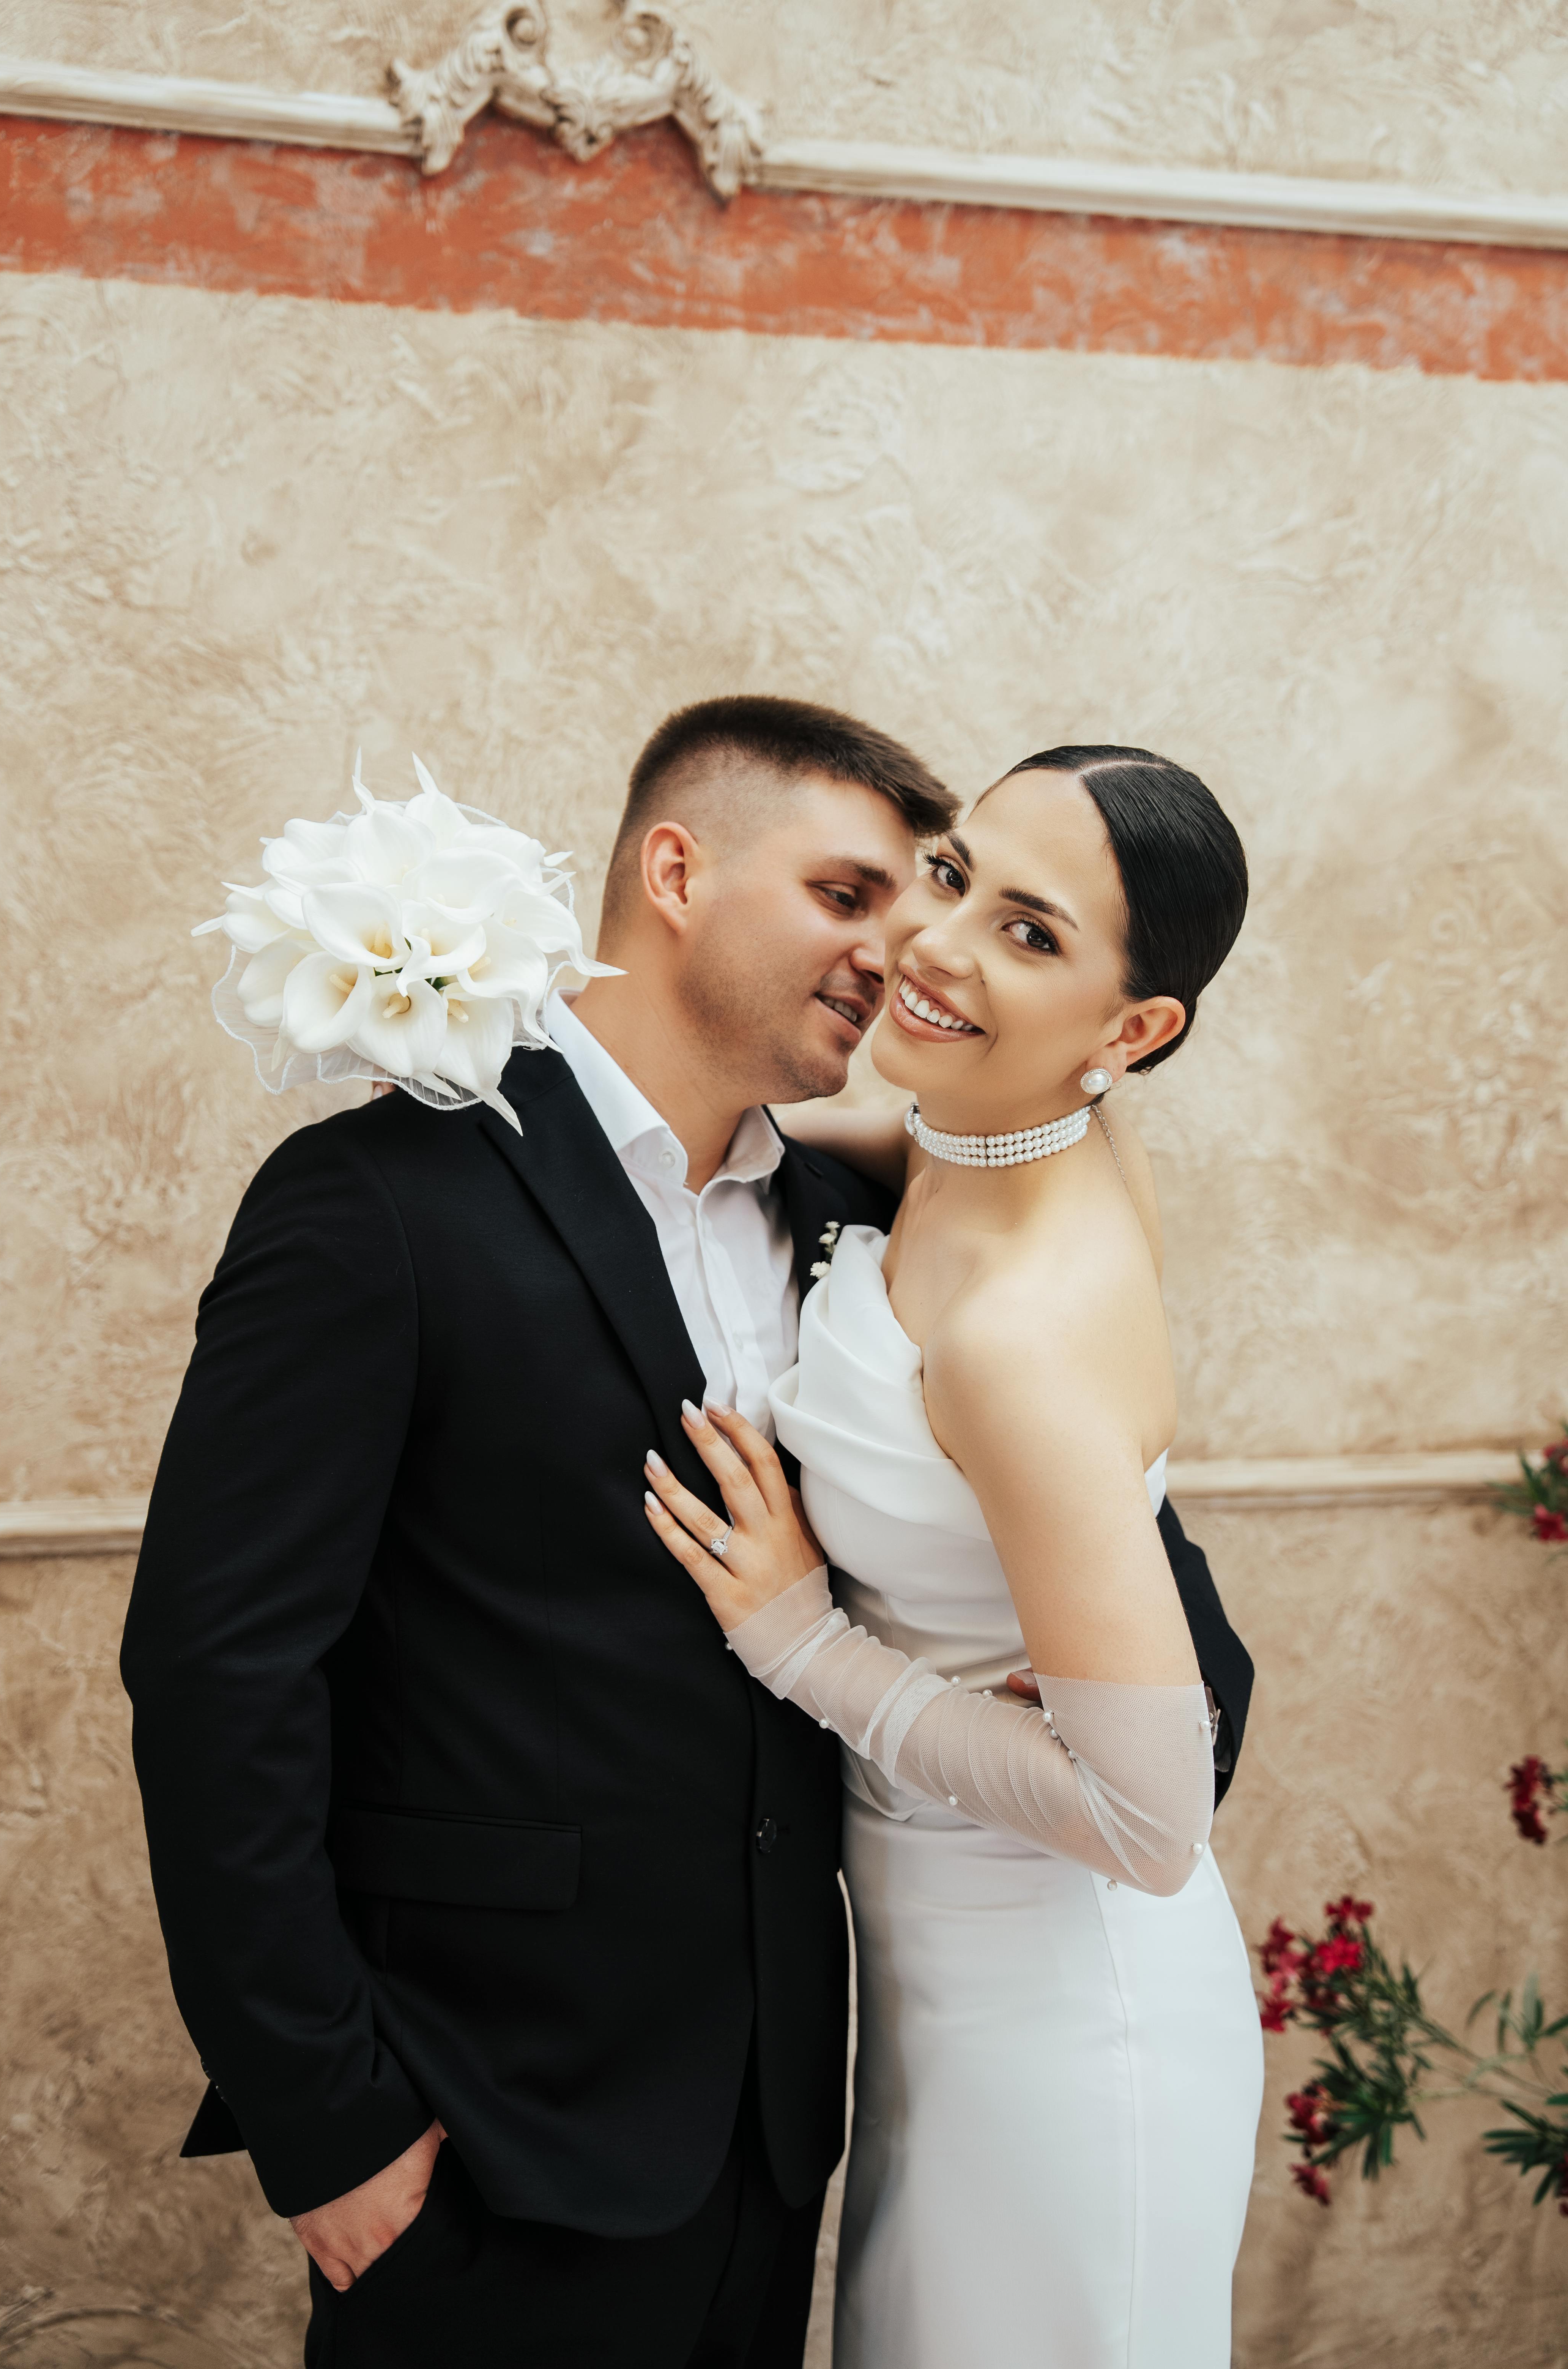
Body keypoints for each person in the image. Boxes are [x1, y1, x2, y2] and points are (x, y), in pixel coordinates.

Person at [121, 705, 1251, 2367]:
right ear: (674, 872)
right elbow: (217, 1676)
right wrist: (324, 2119)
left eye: (935, 897)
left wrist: (1128, 1707)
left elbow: (1126, 1560)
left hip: (786, 2124)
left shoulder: (860, 1204)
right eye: (857, 893)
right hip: (490, 2125)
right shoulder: (382, 1203)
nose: (903, 946)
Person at [643, 746, 1264, 2368]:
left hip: (1066, 2015)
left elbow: (1150, 1820)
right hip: (941, 1987)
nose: (936, 942)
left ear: (1133, 1034)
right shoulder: (982, 1136)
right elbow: (770, 1113)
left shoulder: (1014, 1338)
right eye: (952, 873)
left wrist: (802, 1643)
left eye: (1030, 933)